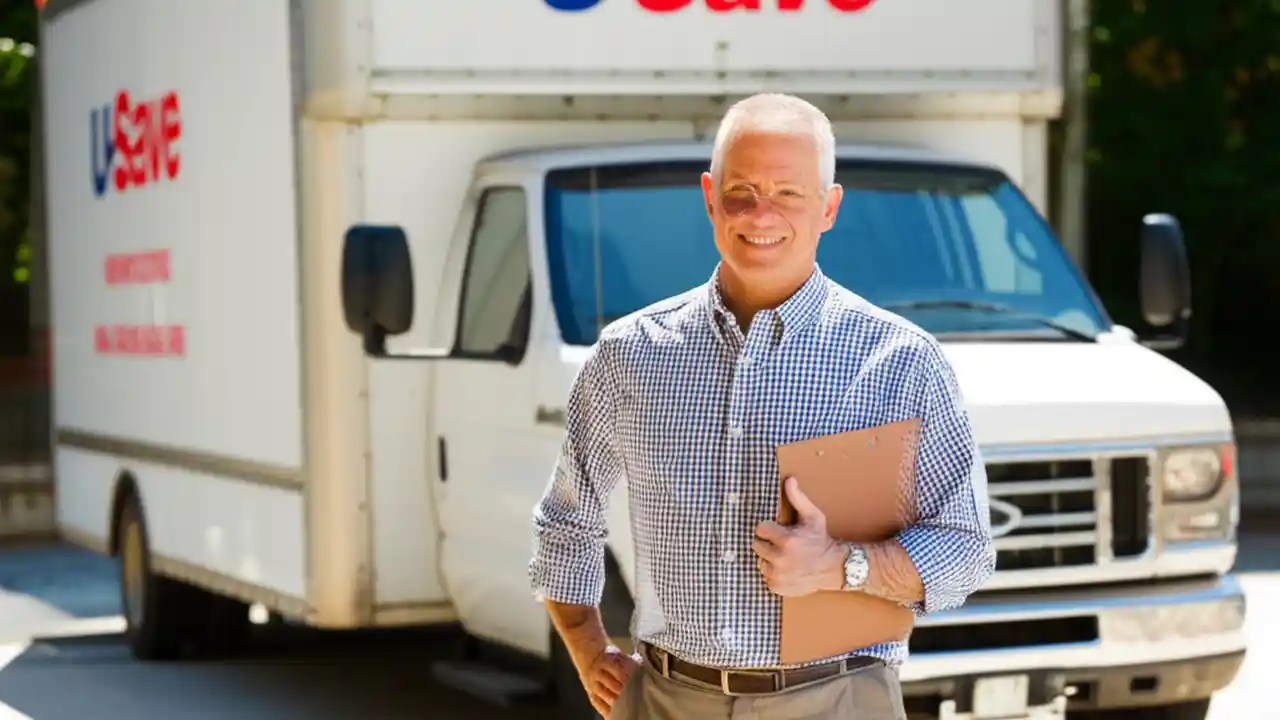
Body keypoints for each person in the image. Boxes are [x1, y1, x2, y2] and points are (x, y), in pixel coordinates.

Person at [528, 92, 996, 719]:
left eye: (789, 193)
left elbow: (965, 551)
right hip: (667, 700)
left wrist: (839, 566)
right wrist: (589, 652)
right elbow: (566, 520)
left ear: (828, 207)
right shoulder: (630, 354)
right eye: (741, 189)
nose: (760, 212)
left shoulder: (902, 361)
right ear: (709, 198)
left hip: (839, 699)